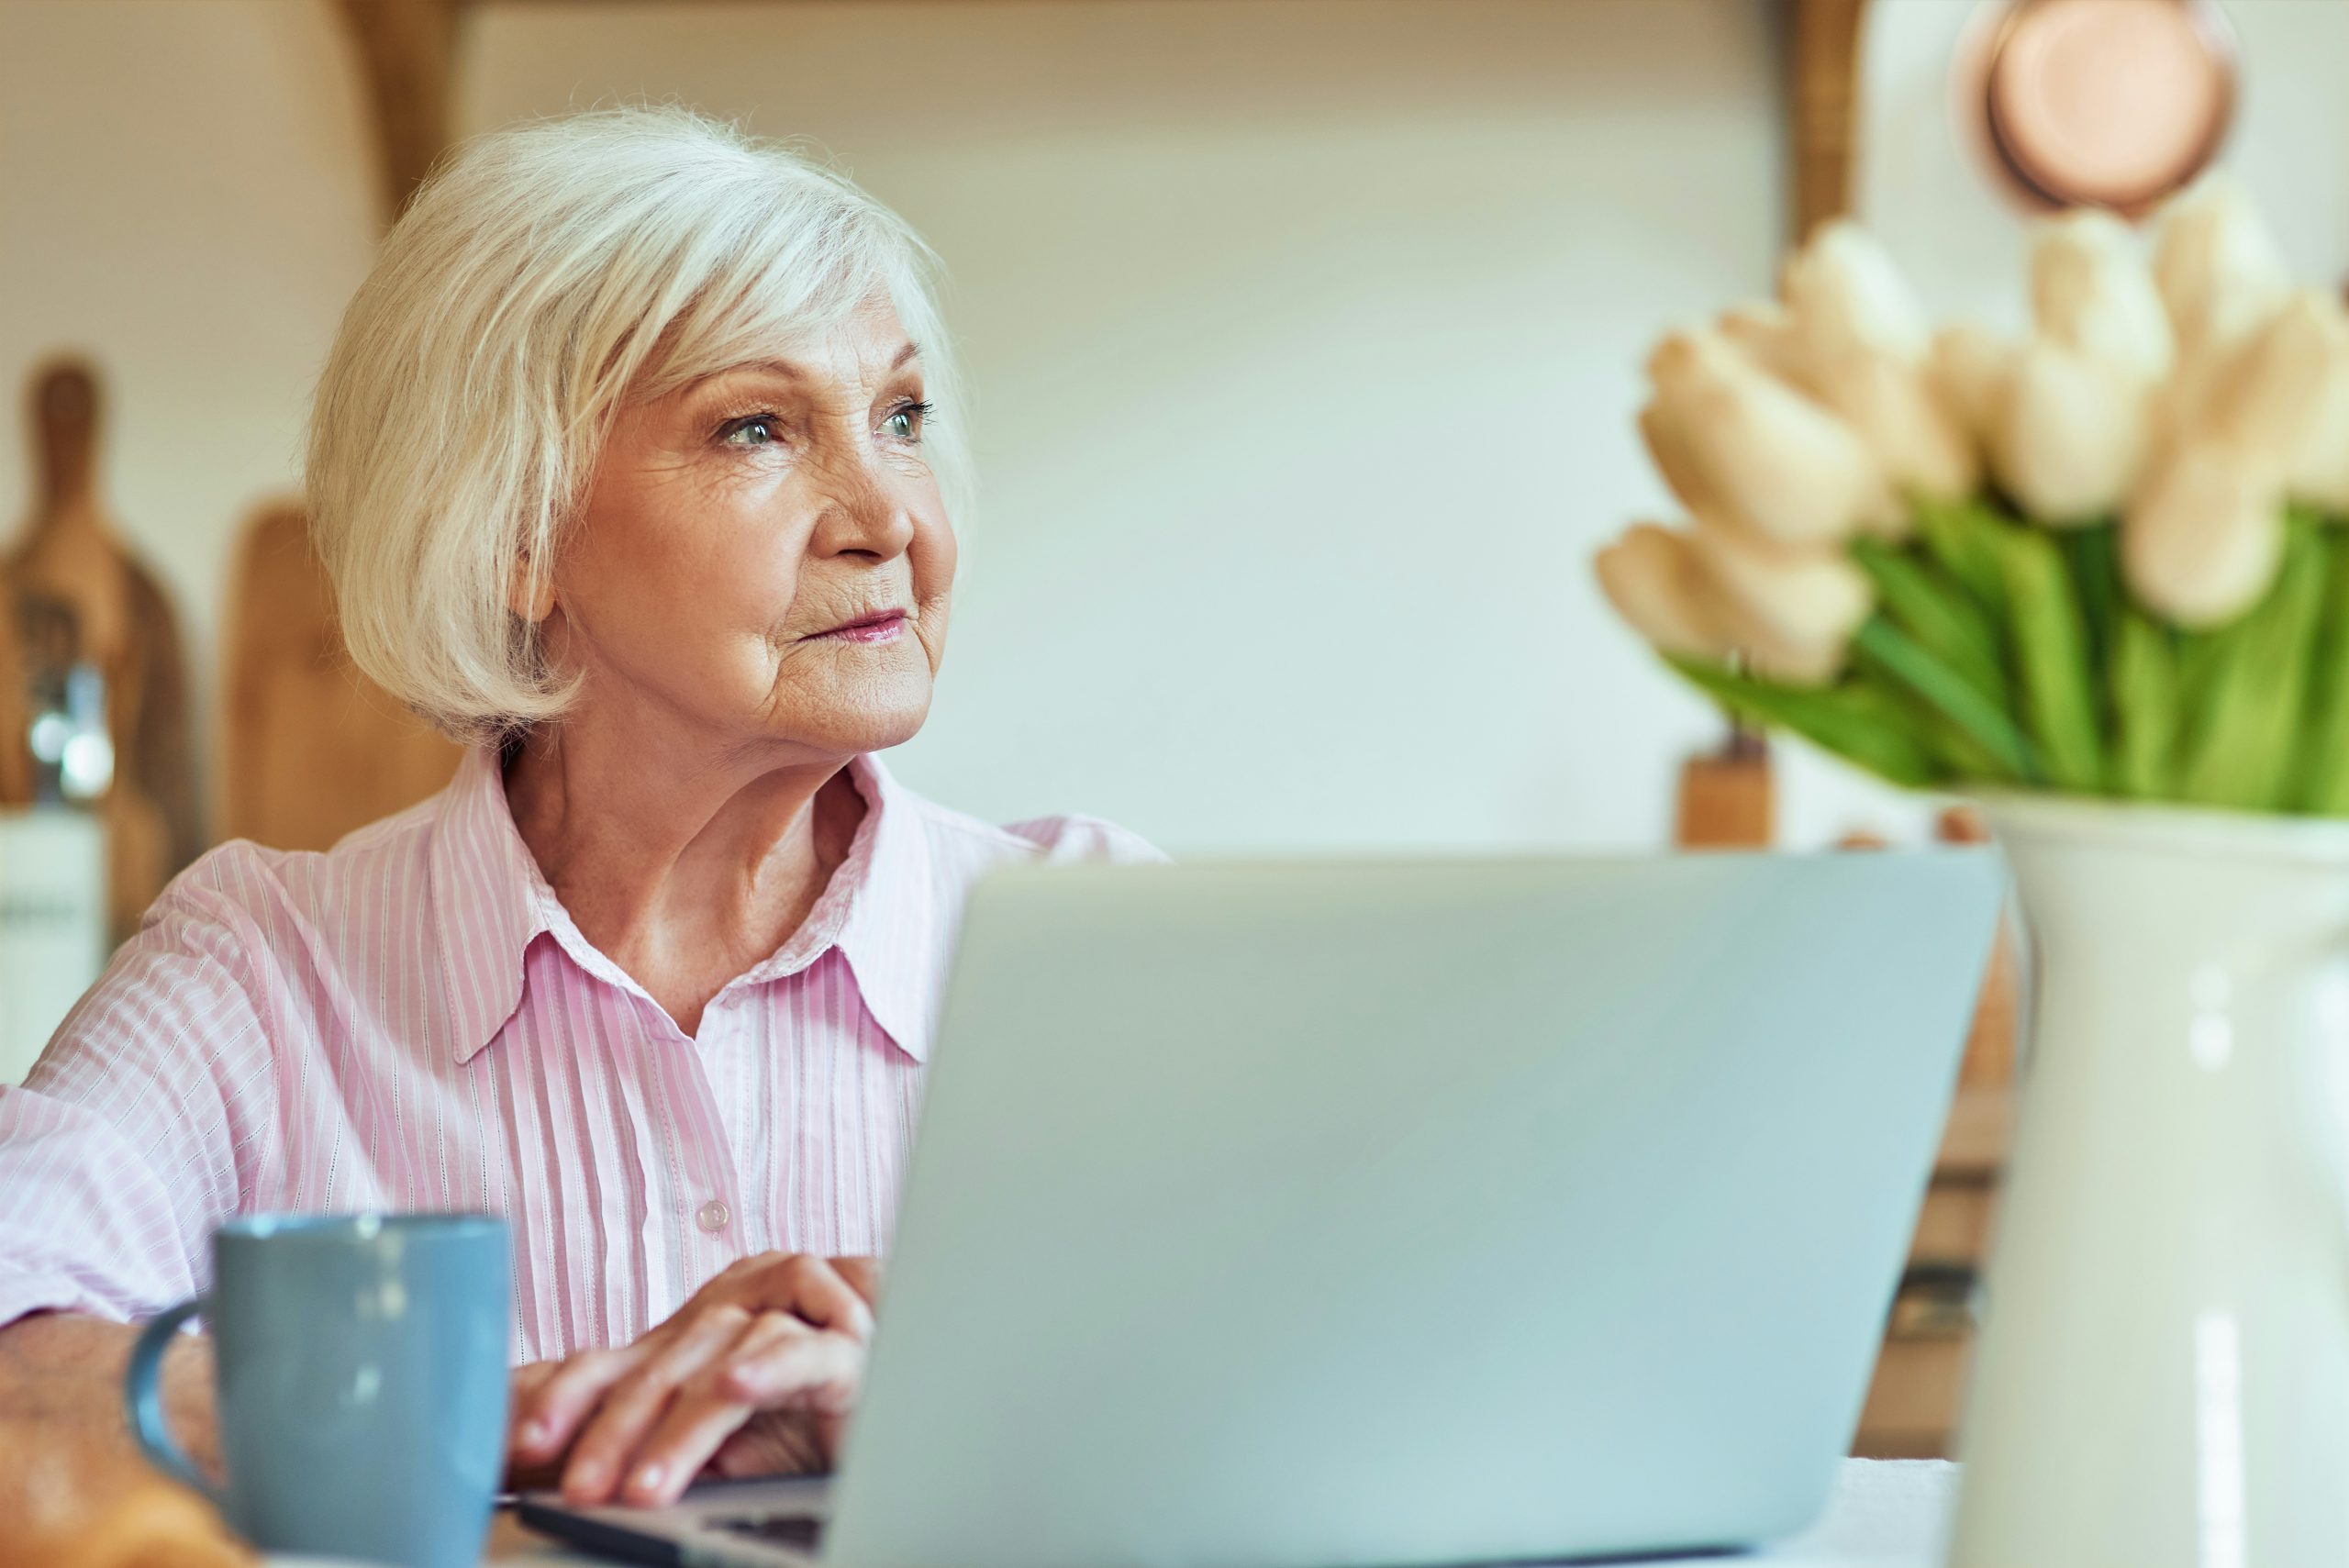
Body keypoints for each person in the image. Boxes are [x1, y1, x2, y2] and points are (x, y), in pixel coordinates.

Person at [0, 106, 1160, 1518]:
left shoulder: (1106, 930)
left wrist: (945, 1400)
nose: (890, 517)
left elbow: (1337, 1391)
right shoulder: (264, 968)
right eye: (758, 428)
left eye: (901, 417)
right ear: (516, 535)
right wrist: (494, 1412)